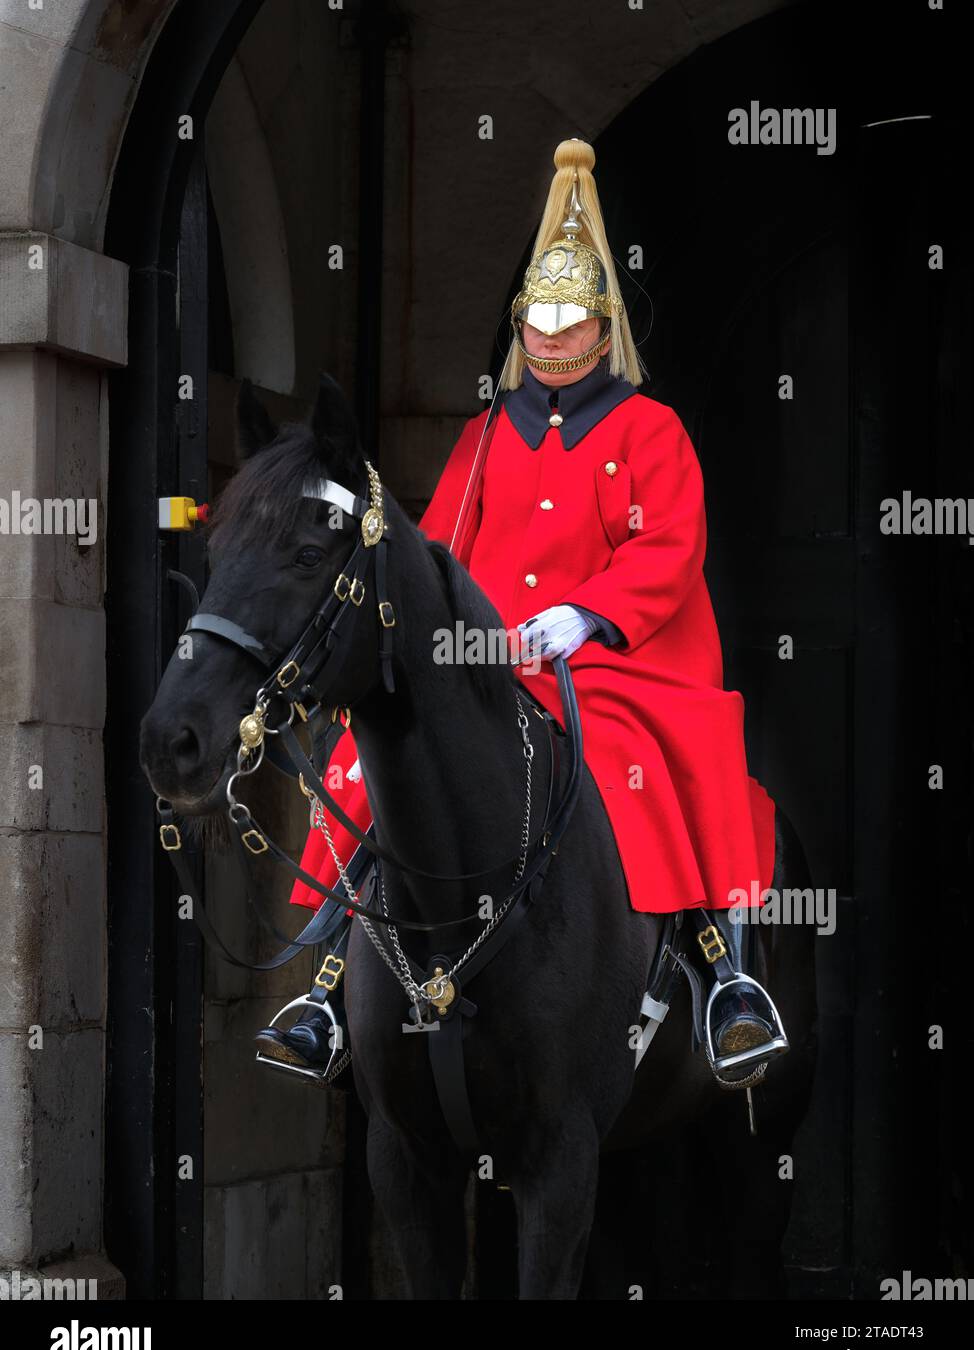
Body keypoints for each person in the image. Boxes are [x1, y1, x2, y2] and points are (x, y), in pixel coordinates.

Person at [256, 138, 786, 1088]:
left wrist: (591, 615)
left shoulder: (648, 428)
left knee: (640, 769)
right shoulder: (486, 433)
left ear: (599, 325)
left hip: (614, 662)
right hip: (486, 661)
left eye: (567, 319)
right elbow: (439, 551)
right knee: (365, 764)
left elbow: (671, 546)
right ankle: (329, 990)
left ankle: (723, 979)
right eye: (535, 319)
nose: (548, 336)